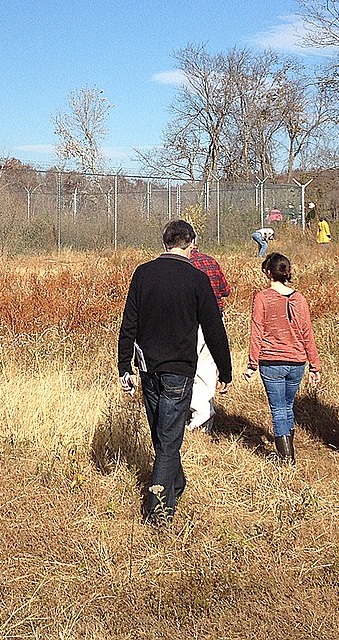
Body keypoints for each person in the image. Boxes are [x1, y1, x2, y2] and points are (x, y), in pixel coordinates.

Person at [118, 220, 232, 526]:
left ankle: (175, 486)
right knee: (167, 439)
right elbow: (213, 328)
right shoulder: (197, 278)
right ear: (190, 243)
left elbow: (129, 321)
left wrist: (123, 365)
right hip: (179, 370)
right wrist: (226, 370)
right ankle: (157, 511)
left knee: (163, 435)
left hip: (147, 368)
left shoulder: (143, 273)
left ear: (166, 242)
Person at [243, 253, 321, 463]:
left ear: (268, 272)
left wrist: (252, 363)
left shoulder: (262, 297)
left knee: (278, 408)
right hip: (297, 362)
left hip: (271, 361)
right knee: (287, 405)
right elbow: (307, 332)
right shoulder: (299, 298)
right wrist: (314, 365)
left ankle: (286, 458)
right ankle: (289, 444)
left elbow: (257, 331)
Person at [188, 233, 231, 431]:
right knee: (207, 369)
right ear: (196, 242)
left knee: (190, 369)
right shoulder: (211, 262)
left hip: (191, 321)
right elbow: (225, 290)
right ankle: (205, 424)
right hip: (215, 320)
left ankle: (199, 414)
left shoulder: (184, 264)